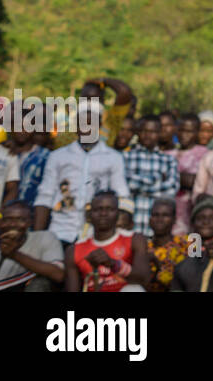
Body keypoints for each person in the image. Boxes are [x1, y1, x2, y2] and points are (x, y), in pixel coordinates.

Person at [34, 117, 129, 247]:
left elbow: (121, 195)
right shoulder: (58, 156)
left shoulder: (114, 158)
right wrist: (38, 237)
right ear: (76, 126)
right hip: (59, 230)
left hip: (96, 235)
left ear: (100, 126)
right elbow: (45, 196)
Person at [63, 190, 149, 292]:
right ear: (90, 215)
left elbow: (144, 279)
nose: (103, 213)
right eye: (98, 209)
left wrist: (113, 264)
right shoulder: (74, 250)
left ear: (117, 213)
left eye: (109, 209)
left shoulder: (135, 239)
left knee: (134, 289)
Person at [121, 114, 179, 236]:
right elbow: (124, 185)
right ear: (138, 132)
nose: (148, 135)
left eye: (153, 131)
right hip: (130, 228)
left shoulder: (169, 160)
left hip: (157, 231)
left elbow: (171, 189)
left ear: (159, 133)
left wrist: (138, 184)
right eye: (144, 131)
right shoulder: (125, 157)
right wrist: (158, 180)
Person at [0, 200, 64, 291]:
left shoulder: (45, 237)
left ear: (30, 222)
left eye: (20, 220)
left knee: (40, 283)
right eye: (7, 219)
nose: (13, 224)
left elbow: (58, 275)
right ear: (0, 223)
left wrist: (14, 255)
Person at [144, 196, 187, 292]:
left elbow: (186, 282)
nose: (160, 219)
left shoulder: (184, 245)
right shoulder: (142, 245)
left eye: (165, 215)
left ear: (174, 219)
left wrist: (157, 262)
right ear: (150, 219)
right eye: (155, 215)